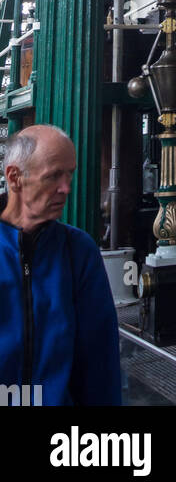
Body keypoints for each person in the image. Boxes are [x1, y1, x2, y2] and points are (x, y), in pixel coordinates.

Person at [0, 124, 122, 405]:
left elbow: (99, 359)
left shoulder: (78, 251)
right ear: (15, 178)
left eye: (70, 174)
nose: (66, 188)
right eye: (54, 176)